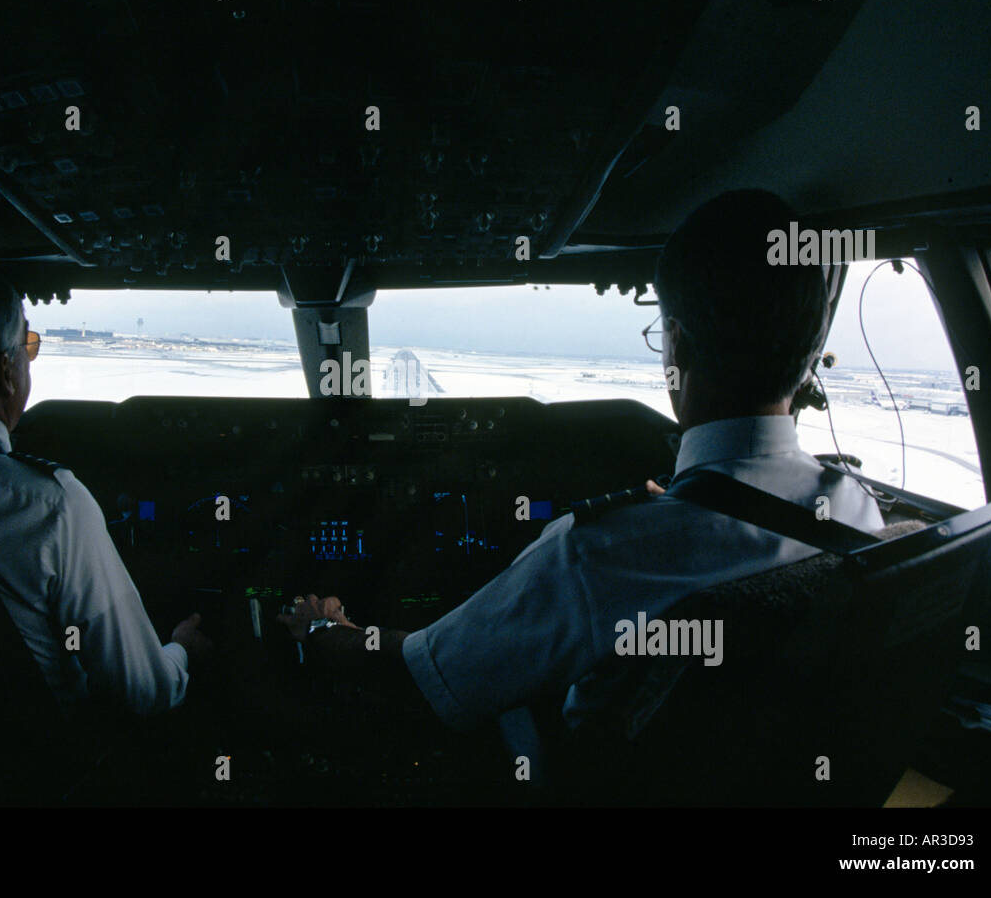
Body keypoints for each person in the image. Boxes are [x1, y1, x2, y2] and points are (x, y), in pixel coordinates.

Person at [278, 189, 883, 743]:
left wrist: (325, 629)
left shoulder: (595, 557)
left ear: (680, 344)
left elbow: (425, 674)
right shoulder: (858, 511)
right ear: (807, 351)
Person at [0, 274, 210, 717]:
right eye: (26, 346)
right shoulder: (52, 506)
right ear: (5, 372)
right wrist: (181, 650)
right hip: (43, 761)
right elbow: (146, 692)